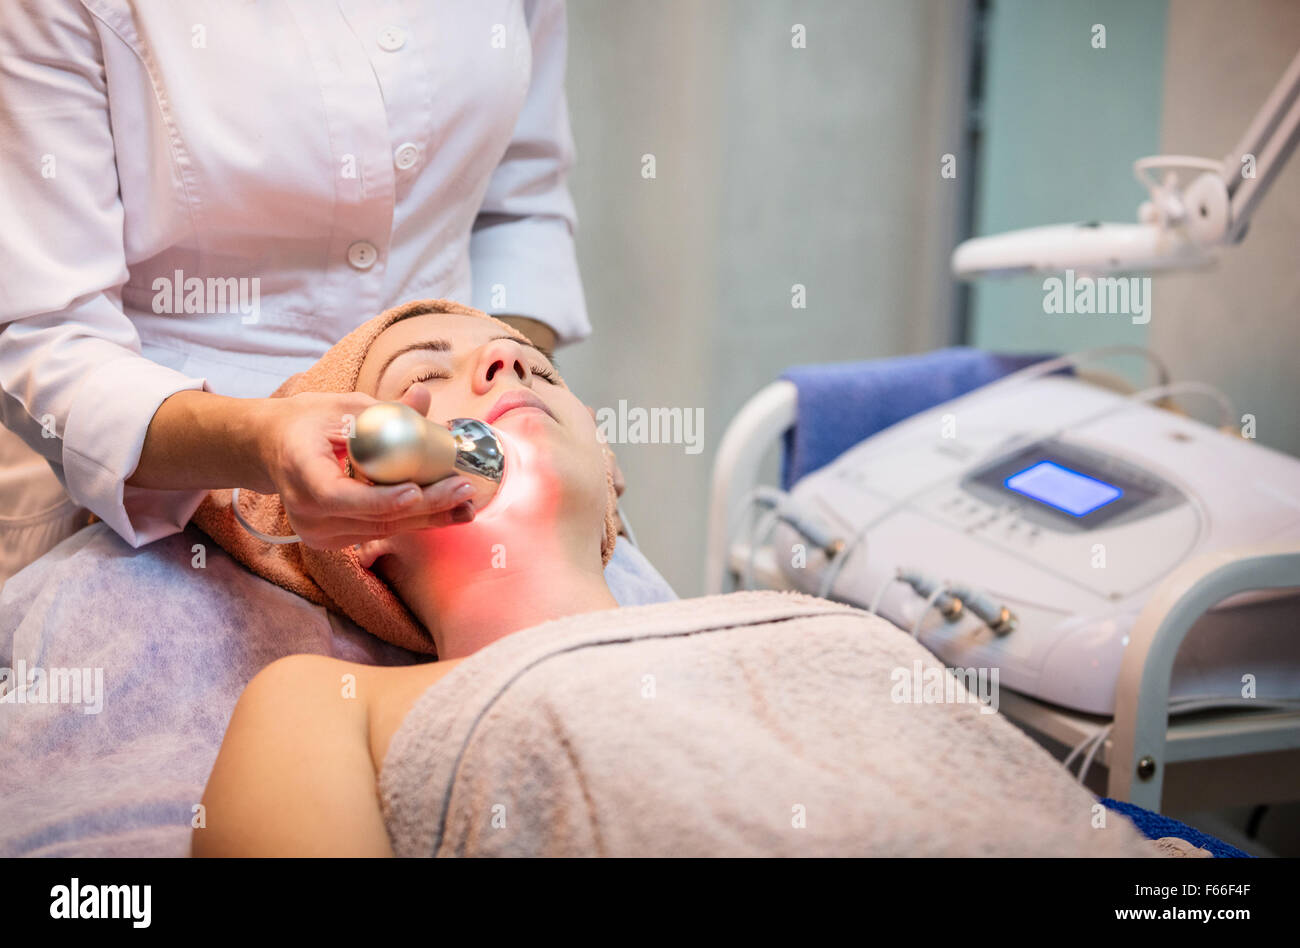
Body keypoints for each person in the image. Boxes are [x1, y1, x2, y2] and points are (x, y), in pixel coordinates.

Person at [0, 1, 592, 583]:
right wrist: (260, 444)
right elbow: (48, 335)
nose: (514, 364)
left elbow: (520, 211)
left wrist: (529, 414)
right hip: (174, 480)